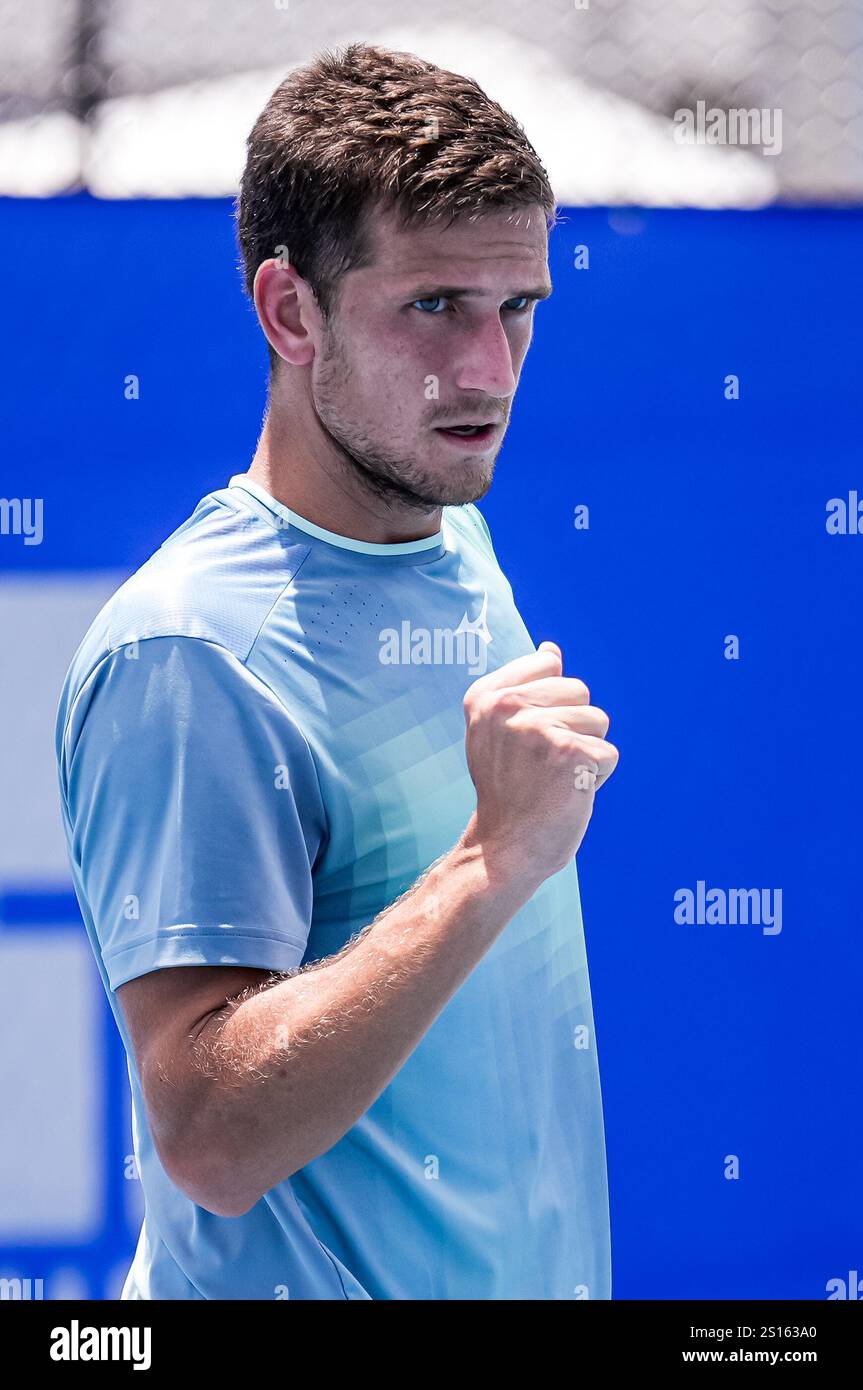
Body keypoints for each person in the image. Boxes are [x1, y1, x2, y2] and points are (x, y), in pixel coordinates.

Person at [55, 41, 619, 1300]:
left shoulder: (448, 527)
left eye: (516, 306)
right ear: (289, 310)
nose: (488, 370)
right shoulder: (188, 654)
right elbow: (207, 1136)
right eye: (432, 306)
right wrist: (490, 861)